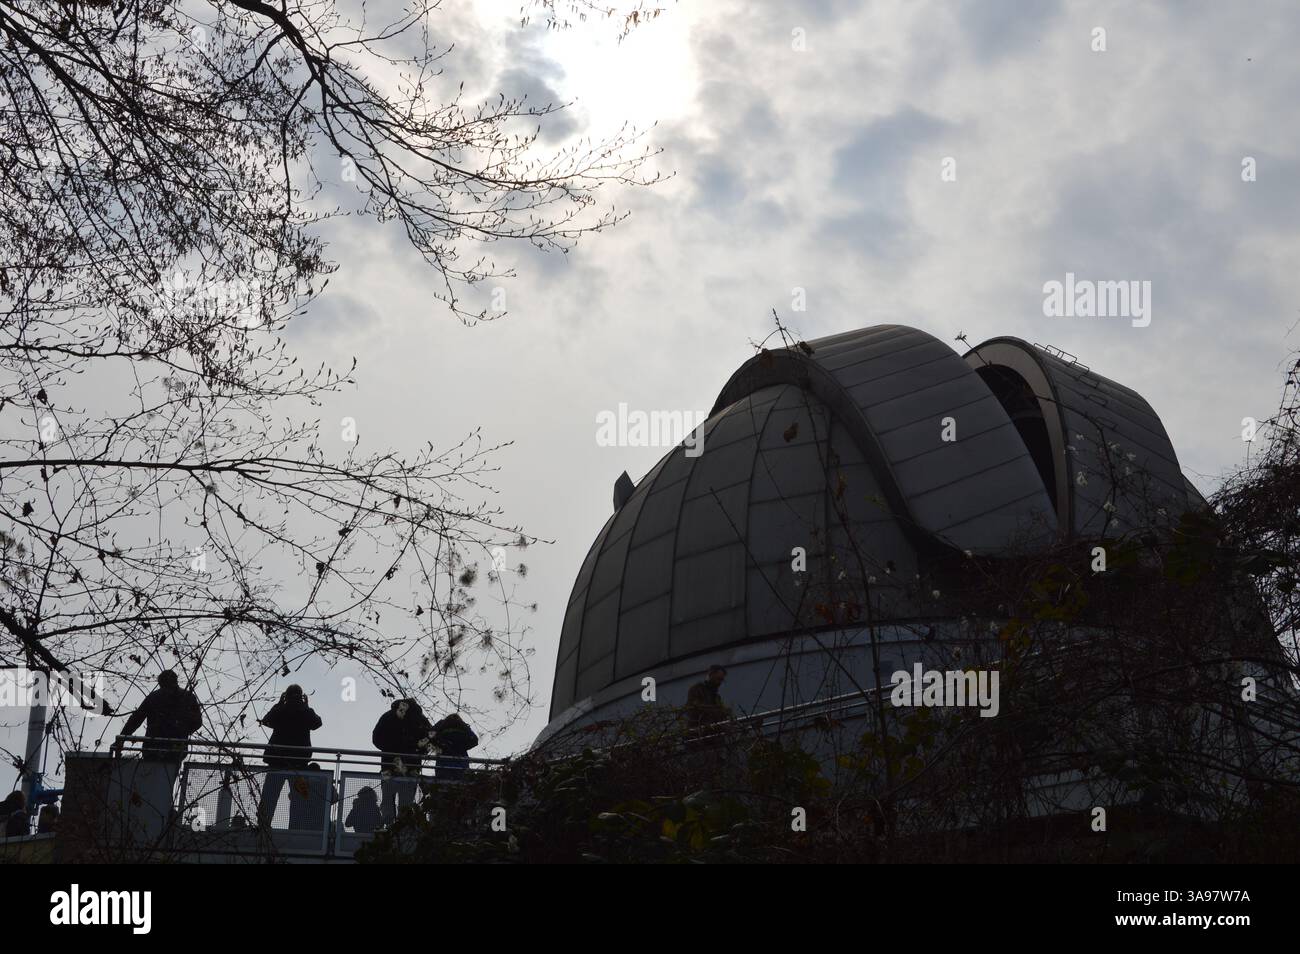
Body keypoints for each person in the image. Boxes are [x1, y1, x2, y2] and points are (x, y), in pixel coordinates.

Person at [256, 684, 322, 828]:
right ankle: (295, 828)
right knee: (298, 800)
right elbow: (317, 723)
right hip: (297, 764)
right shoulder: (303, 712)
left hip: (279, 763)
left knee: (270, 798)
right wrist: (305, 706)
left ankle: (263, 826)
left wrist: (280, 704)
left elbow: (266, 720)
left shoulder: (282, 710)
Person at [110, 669, 203, 760]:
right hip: (177, 747)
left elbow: (136, 719)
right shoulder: (188, 696)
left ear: (160, 683)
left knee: (152, 771)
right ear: (176, 681)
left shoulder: (154, 697)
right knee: (171, 771)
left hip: (152, 746)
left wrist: (122, 738)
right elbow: (197, 722)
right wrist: (183, 731)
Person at [371, 698, 433, 824]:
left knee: (388, 798)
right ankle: (403, 828)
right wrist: (417, 751)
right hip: (411, 767)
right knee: (406, 802)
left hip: (388, 764)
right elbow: (430, 740)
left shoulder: (389, 715)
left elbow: (376, 737)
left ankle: (388, 826)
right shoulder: (420, 720)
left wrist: (390, 748)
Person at [430, 712, 479, 782]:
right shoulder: (463, 728)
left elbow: (430, 735)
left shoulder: (442, 726)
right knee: (460, 788)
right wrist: (462, 747)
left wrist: (441, 744)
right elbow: (474, 740)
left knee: (442, 785)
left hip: (443, 762)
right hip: (461, 763)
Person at [685, 665, 730, 729]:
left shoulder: (716, 697)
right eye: (718, 679)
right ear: (710, 675)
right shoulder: (697, 689)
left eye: (721, 680)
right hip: (698, 731)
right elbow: (694, 709)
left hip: (712, 732)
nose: (719, 682)